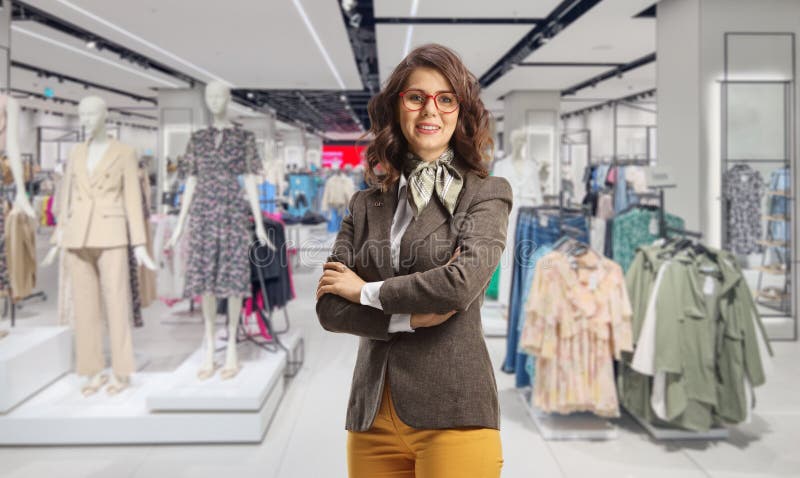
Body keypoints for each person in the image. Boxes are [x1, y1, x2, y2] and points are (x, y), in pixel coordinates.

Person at [316, 43, 512, 478]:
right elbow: (329, 307)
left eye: (446, 99)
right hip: (371, 414)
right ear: (396, 107)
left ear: (461, 111)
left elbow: (459, 285)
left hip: (454, 411)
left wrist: (364, 291)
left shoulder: (485, 192)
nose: (430, 110)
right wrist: (404, 319)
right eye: (416, 97)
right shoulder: (365, 203)